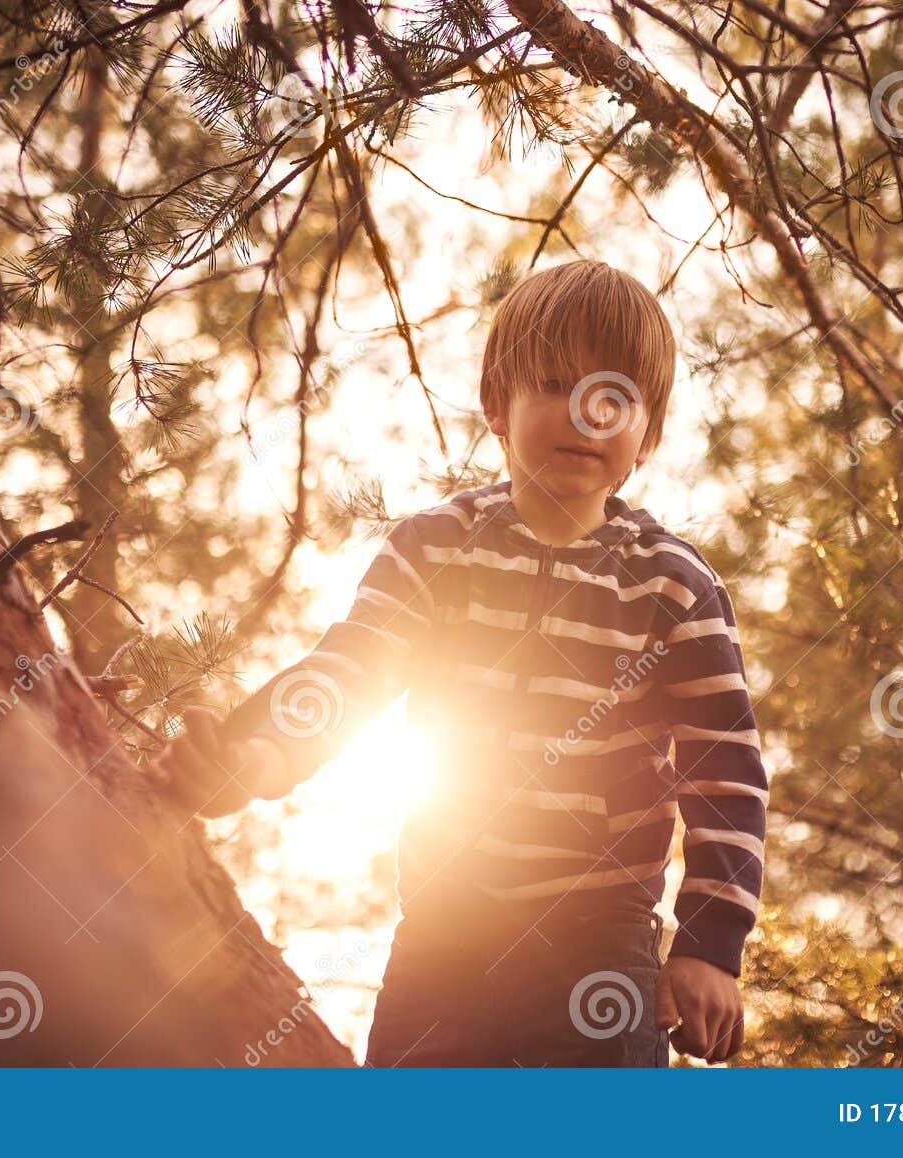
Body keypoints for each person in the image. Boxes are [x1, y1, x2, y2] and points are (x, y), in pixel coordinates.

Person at [165, 259, 767, 1067]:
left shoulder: (674, 587)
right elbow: (349, 672)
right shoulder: (435, 550)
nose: (585, 413)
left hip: (601, 939)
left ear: (647, 432)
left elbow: (726, 773)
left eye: (614, 396)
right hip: (445, 929)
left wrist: (708, 943)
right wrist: (254, 755)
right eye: (554, 383)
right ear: (496, 403)